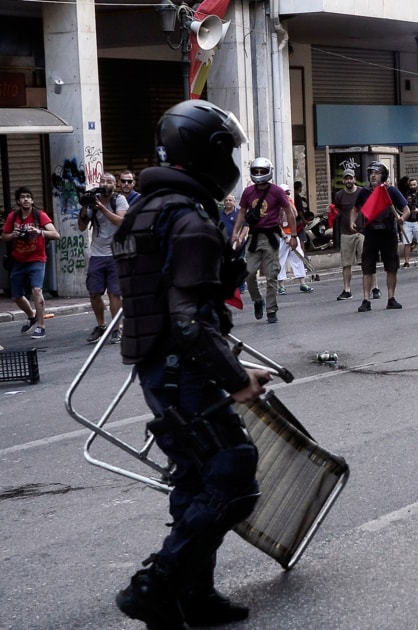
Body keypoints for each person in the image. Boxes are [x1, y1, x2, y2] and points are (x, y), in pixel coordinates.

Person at [111, 98, 270, 629]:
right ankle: (155, 587)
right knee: (233, 474)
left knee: (197, 478)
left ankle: (192, 595)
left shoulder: (148, 209)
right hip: (185, 370)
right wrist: (236, 378)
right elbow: (187, 320)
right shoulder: (187, 218)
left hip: (164, 369)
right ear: (211, 152)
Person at [233, 157, 296, 324]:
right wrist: (235, 233)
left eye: (262, 171)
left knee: (271, 275)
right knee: (249, 273)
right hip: (254, 237)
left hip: (271, 237)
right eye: (256, 171)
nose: (259, 174)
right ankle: (257, 300)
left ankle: (271, 309)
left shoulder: (277, 191)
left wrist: (294, 235)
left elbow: (288, 212)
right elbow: (242, 213)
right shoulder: (248, 192)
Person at [2, 187, 59, 340]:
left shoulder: (39, 215)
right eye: (22, 197)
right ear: (18, 201)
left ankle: (41, 326)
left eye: (28, 196)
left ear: (32, 200)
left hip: (37, 259)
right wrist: (13, 235)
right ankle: (31, 316)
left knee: (36, 290)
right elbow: (4, 236)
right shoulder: (13, 216)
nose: (26, 199)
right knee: (16, 296)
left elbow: (56, 234)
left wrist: (39, 231)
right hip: (19, 260)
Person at [78, 172, 129, 343]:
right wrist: (84, 207)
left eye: (109, 182)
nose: (105, 184)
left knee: (114, 293)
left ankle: (116, 328)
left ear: (114, 185)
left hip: (115, 253)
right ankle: (101, 325)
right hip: (97, 254)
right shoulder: (94, 200)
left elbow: (120, 221)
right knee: (94, 293)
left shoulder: (119, 200)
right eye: (102, 181)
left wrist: (101, 208)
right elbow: (81, 227)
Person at [355, 161, 407, 312]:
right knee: (367, 267)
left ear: (383, 176)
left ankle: (391, 298)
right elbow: (355, 209)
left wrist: (402, 218)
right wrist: (352, 221)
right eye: (371, 173)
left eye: (376, 173)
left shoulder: (391, 191)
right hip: (370, 233)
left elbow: (406, 209)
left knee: (391, 267)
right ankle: (366, 299)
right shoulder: (364, 193)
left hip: (388, 233)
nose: (373, 176)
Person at [333, 170, 362, 301]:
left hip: (361, 231)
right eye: (346, 179)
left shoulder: (361, 192)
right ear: (343, 181)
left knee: (366, 262)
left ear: (354, 179)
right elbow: (337, 209)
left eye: (351, 178)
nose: (349, 181)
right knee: (346, 264)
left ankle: (374, 288)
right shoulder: (339, 195)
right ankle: (347, 290)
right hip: (345, 233)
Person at [399, 175, 418, 267]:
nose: (412, 186)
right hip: (407, 222)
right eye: (411, 185)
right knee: (407, 242)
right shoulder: (405, 195)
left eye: (414, 184)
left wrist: (417, 210)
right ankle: (406, 262)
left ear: (417, 185)